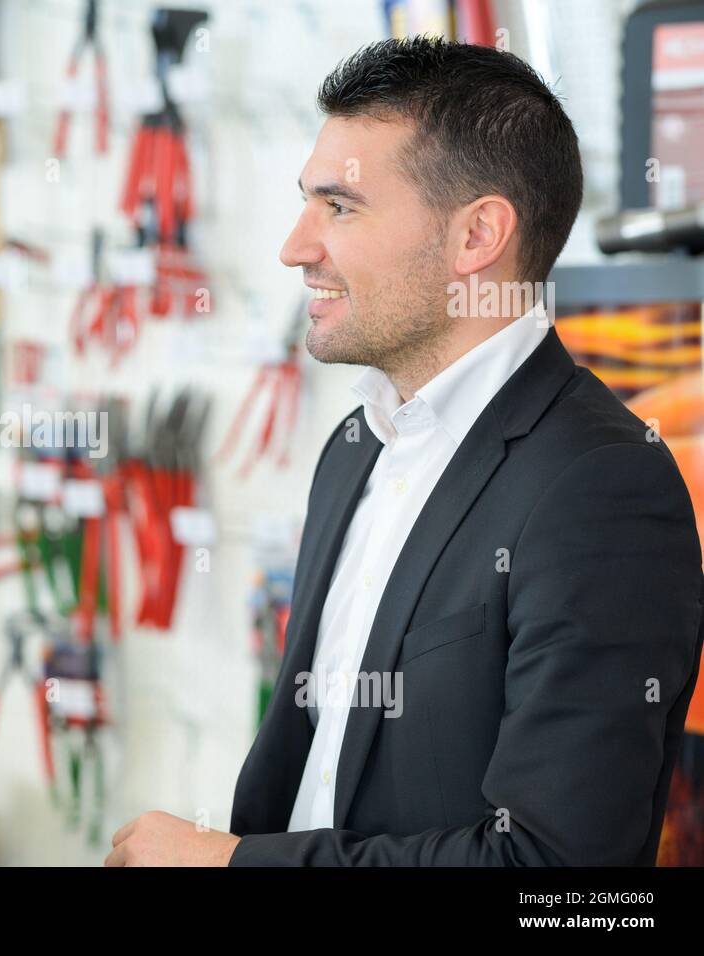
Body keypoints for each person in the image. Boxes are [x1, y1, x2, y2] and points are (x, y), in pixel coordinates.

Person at [108, 36, 703, 867]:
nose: (295, 246)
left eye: (339, 207)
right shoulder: (355, 448)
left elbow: (557, 876)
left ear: (477, 237)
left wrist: (229, 863)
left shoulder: (601, 488)